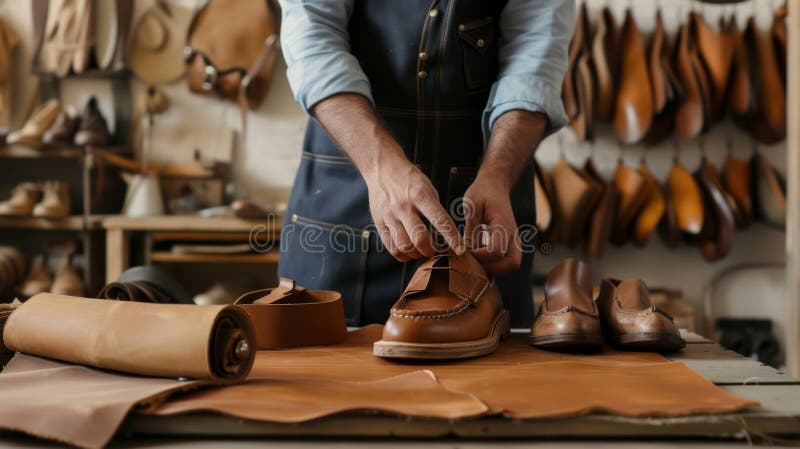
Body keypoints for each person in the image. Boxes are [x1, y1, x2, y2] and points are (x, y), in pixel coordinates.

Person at [277, 0, 574, 327]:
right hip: (341, 209)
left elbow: (535, 62)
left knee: (492, 375)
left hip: (486, 225)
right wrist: (379, 167)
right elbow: (313, 40)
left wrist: (498, 175)